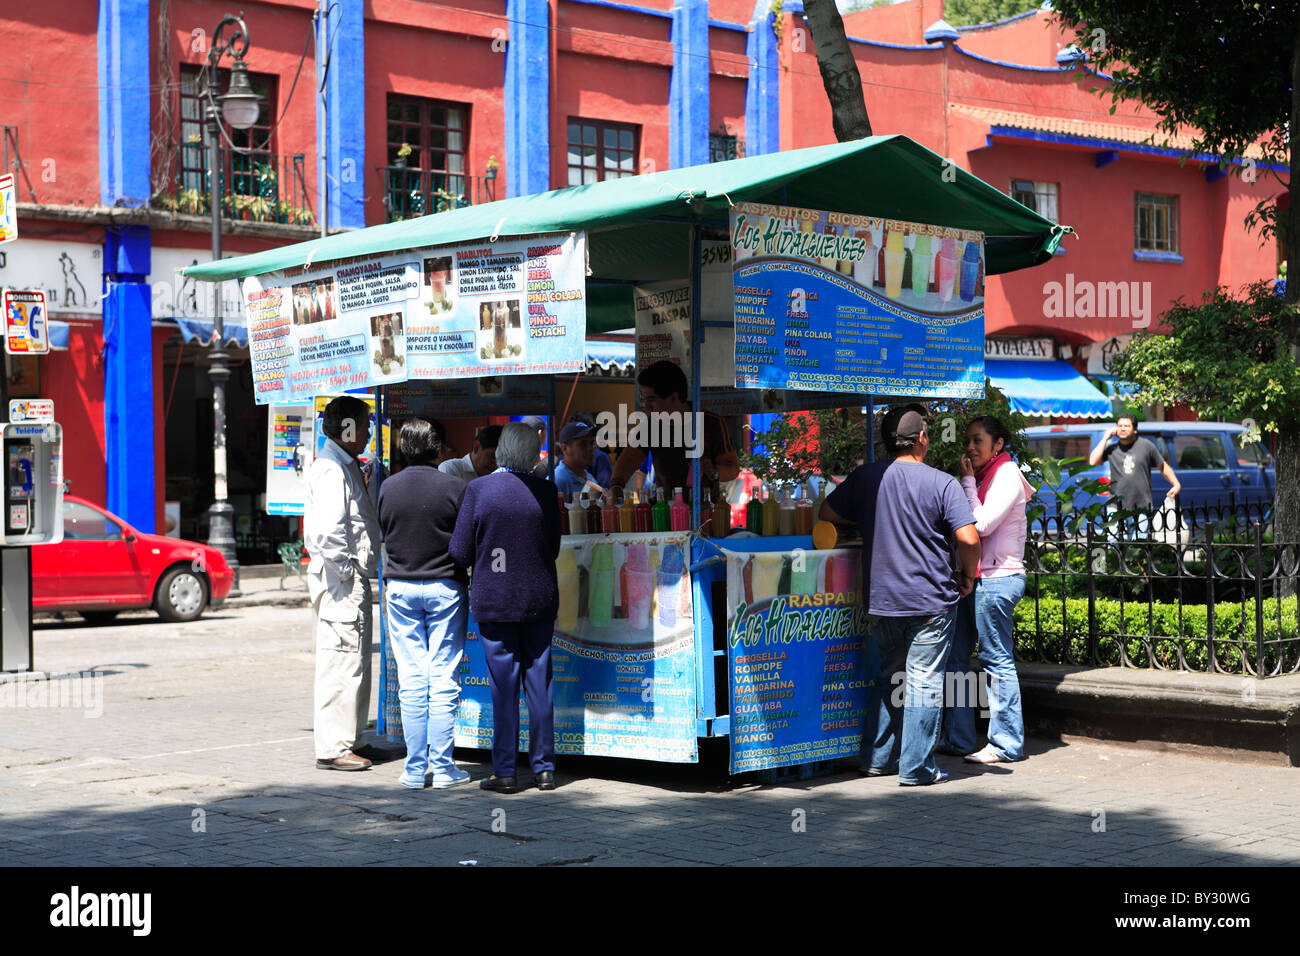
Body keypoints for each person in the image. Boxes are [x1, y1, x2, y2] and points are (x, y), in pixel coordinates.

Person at [820, 404, 980, 787]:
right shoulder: (943, 483)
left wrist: (871, 514)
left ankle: (877, 759)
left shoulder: (866, 478)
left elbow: (826, 511)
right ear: (922, 439)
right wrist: (968, 574)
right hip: (929, 601)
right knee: (923, 681)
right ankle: (917, 768)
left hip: (882, 600)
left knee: (889, 677)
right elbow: (969, 538)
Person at [449, 422, 563, 794]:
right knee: (539, 684)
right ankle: (545, 770)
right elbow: (554, 547)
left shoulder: (478, 490)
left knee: (504, 687)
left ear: (500, 452)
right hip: (539, 599)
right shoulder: (547, 491)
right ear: (533, 456)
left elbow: (461, 552)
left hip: (496, 601)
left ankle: (506, 772)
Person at [378, 418, 472, 789]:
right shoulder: (455, 487)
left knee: (412, 678)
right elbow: (466, 541)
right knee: (443, 676)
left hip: (400, 587)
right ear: (437, 449)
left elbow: (385, 532)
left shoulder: (387, 487)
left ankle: (415, 770)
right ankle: (444, 768)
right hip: (445, 586)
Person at [304, 395, 396, 771]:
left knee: (356, 661)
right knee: (340, 661)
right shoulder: (330, 469)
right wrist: (347, 573)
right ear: (348, 429)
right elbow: (329, 534)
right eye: (365, 423)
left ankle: (353, 737)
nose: (370, 431)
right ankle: (333, 746)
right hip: (342, 579)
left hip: (354, 576)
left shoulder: (347, 466)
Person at [939, 415, 1034, 765]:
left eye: (978, 440)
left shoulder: (1007, 474)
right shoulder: (982, 477)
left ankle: (1006, 744)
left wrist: (964, 481)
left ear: (998, 445)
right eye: (967, 440)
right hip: (971, 578)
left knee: (996, 661)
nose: (970, 447)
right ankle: (960, 739)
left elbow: (980, 524)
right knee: (955, 657)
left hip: (997, 579)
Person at [608, 360, 739, 502]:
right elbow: (629, 458)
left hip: (704, 511)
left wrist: (715, 472)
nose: (646, 406)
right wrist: (616, 486)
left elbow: (732, 468)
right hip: (664, 511)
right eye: (644, 399)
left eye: (651, 399)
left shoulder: (711, 423)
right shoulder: (651, 426)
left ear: (673, 397)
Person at [1087, 414, 1181, 537]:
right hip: (1115, 506)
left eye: (1126, 426)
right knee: (1114, 543)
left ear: (1135, 429)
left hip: (1141, 505)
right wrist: (1105, 437)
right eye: (1119, 426)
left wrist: (1176, 484)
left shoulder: (1146, 446)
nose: (1122, 428)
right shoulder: (1111, 449)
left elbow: (1162, 466)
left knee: (1138, 547)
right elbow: (1093, 461)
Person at [552, 421, 601, 496]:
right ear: (565, 448)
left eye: (591, 443)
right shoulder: (556, 481)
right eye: (583, 444)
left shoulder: (590, 479)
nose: (590, 449)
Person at [566, 411, 613, 487]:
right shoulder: (600, 458)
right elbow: (605, 493)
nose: (590, 449)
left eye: (591, 443)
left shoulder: (599, 458)